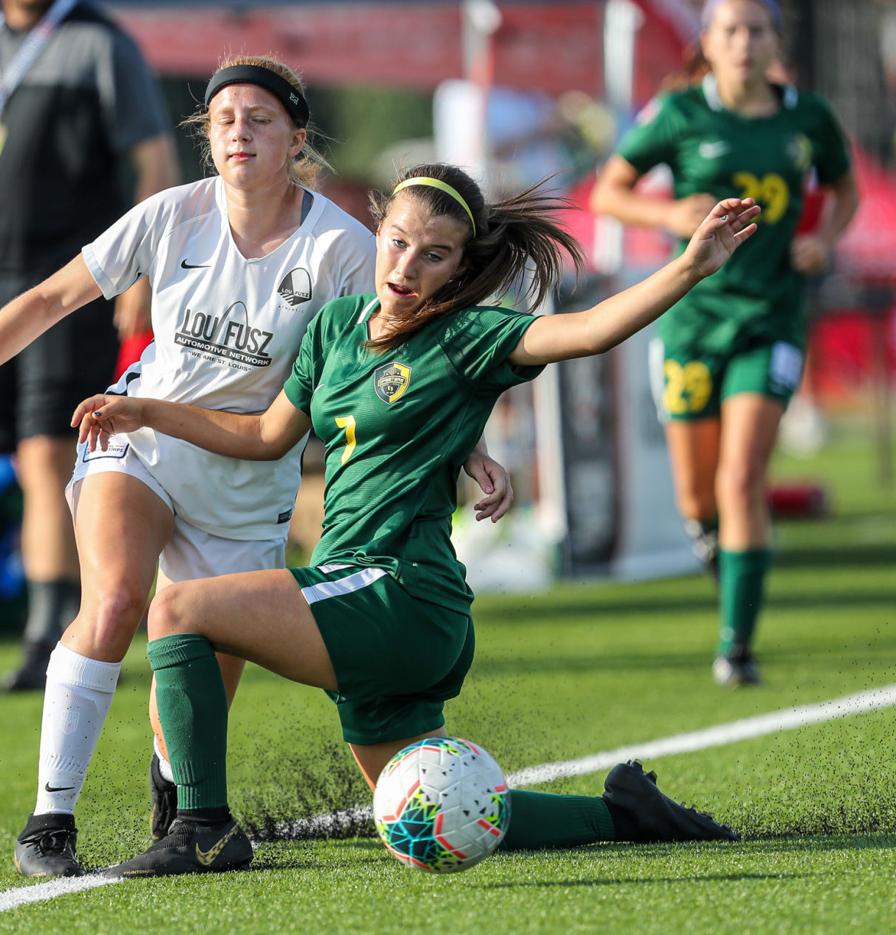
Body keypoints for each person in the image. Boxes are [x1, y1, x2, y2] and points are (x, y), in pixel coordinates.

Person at [0, 56, 513, 877]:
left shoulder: (345, 246)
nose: (240, 130)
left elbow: (401, 355)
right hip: (140, 436)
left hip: (247, 479)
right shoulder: (171, 214)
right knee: (119, 597)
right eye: (225, 117)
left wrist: (471, 447)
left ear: (296, 138)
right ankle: (50, 818)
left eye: (261, 118)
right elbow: (47, 300)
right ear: (209, 138)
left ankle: (180, 804)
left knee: (197, 667)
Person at [68, 163, 757, 877]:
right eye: (397, 241)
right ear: (379, 230)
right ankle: (623, 812)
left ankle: (202, 827)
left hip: (398, 591)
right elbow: (263, 436)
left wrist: (690, 267)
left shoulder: (465, 336)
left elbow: (584, 332)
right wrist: (145, 409)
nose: (406, 265)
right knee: (421, 807)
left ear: (461, 267)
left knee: (180, 607)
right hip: (362, 595)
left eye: (434, 254)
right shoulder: (335, 326)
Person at [590, 0, 858, 687]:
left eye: (757, 29)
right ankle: (718, 546)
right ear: (707, 42)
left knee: (742, 478)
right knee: (697, 496)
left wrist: (821, 240)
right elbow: (608, 193)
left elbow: (845, 187)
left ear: (774, 41)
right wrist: (668, 211)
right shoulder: (678, 115)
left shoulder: (809, 117)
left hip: (771, 317)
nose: (744, 43)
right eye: (730, 30)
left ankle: (736, 647)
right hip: (691, 319)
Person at [0, 0, 180, 692]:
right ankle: (71, 610)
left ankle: (47, 630)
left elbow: (153, 157)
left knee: (46, 451)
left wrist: (144, 269)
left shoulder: (99, 42)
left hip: (71, 279)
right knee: (17, 454)